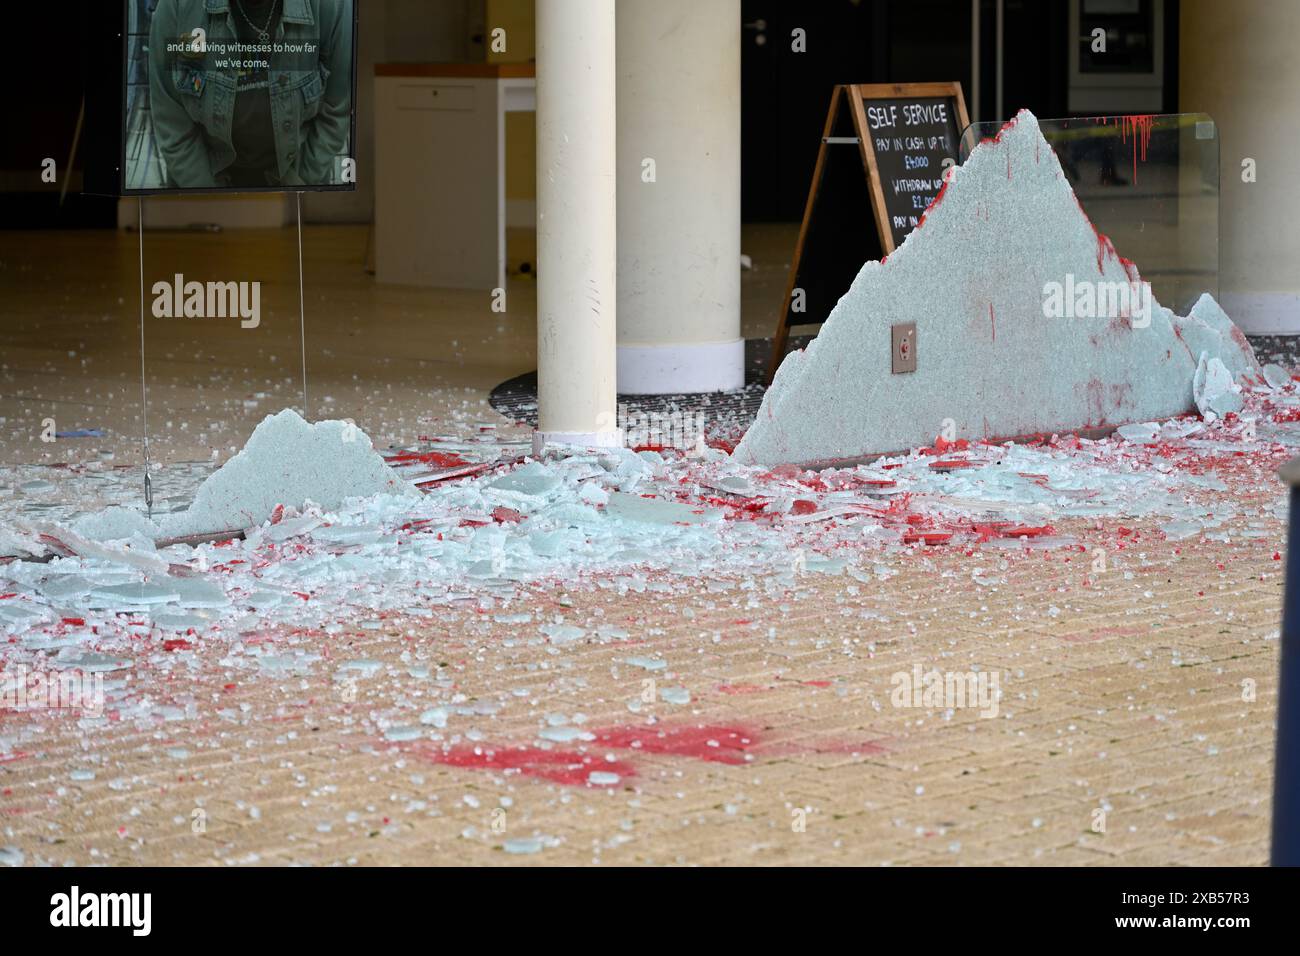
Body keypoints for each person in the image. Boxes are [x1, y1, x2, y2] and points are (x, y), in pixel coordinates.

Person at [147, 0, 352, 189]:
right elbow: (170, 117)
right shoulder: (177, 6)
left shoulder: (331, 7)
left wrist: (297, 186)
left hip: (297, 182)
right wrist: (208, 198)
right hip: (202, 187)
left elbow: (337, 111)